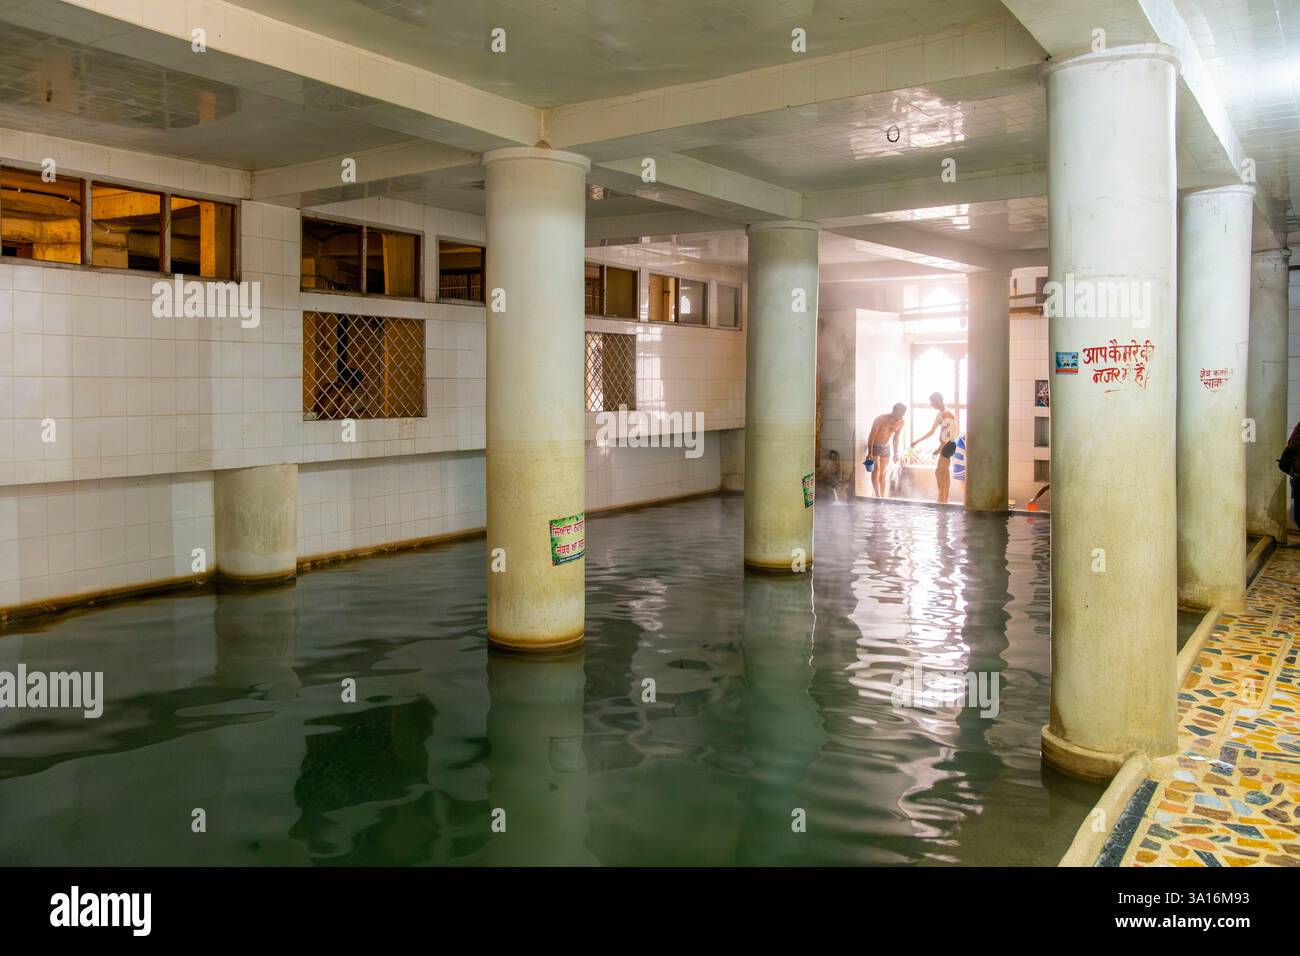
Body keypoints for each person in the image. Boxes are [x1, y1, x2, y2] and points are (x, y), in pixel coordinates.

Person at [911, 392, 959, 503]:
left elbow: (950, 434)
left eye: (932, 402)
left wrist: (940, 447)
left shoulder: (947, 414)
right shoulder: (940, 414)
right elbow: (931, 432)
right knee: (943, 472)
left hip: (948, 445)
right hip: (947, 444)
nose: (931, 405)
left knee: (940, 472)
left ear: (938, 401)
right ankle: (944, 498)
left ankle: (942, 498)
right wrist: (916, 442)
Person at [864, 403, 907, 498]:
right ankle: (877, 496)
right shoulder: (880, 419)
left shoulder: (901, 422)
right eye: (899, 415)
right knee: (876, 470)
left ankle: (882, 497)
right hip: (875, 446)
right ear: (894, 411)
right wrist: (870, 452)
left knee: (883, 473)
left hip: (886, 447)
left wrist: (896, 453)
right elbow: (872, 435)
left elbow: (896, 437)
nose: (900, 417)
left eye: (902, 415)